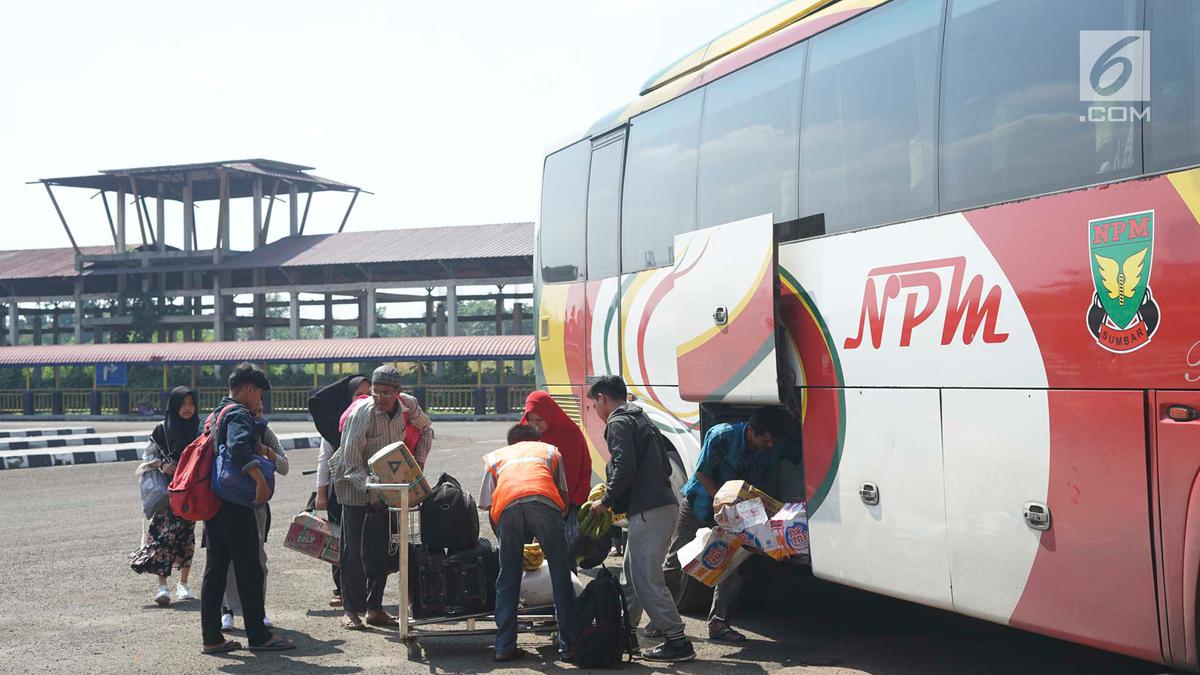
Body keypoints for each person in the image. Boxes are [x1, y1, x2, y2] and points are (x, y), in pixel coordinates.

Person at [584, 376, 695, 663]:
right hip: (660, 505)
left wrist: (606, 501)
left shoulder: (619, 422)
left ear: (601, 399)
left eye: (593, 403)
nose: (595, 409)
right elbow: (661, 465)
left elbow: (624, 465)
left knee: (646, 578)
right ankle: (625, 631)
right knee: (632, 575)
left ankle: (677, 641)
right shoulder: (641, 417)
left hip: (649, 510)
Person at [663, 407, 787, 643]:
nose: (769, 445)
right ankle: (661, 620)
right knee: (675, 558)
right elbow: (701, 473)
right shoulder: (721, 436)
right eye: (766, 440)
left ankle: (719, 624)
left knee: (731, 565)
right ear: (751, 431)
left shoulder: (771, 449)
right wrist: (722, 502)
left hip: (737, 512)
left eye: (773, 441)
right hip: (700, 503)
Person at [201, 363, 294, 654]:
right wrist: (258, 479)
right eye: (259, 395)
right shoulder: (239, 413)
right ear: (250, 389)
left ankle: (212, 638)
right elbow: (240, 447)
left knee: (215, 570)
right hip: (236, 502)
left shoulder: (216, 413)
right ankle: (259, 635)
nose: (260, 402)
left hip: (215, 502)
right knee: (250, 569)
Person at [332, 365, 433, 630]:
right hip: (354, 486)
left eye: (386, 394)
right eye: (376, 392)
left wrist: (418, 463)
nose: (380, 398)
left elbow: (426, 430)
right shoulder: (362, 415)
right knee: (352, 550)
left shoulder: (409, 405)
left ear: (398, 393)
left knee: (383, 549)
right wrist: (371, 488)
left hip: (390, 486)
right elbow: (349, 464)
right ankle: (351, 610)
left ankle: (374, 609)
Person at [478, 424, 574, 663]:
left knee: (507, 578)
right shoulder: (549, 451)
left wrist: (507, 543)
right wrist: (550, 537)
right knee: (561, 576)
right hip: (544, 504)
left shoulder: (497, 457)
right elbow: (563, 498)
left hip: (506, 508)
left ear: (511, 442)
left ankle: (504, 647)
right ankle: (569, 647)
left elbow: (491, 509)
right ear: (537, 439)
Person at [222, 404, 290, 632]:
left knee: (258, 560)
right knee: (227, 560)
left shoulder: (265, 432)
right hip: (227, 501)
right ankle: (227, 611)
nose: (258, 414)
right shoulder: (228, 424)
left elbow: (284, 466)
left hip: (257, 505)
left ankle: (258, 610)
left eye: (262, 410)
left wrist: (266, 452)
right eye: (255, 410)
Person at [130, 386, 200, 605]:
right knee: (162, 537)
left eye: (191, 404)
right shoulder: (161, 430)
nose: (188, 408)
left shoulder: (200, 430)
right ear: (174, 406)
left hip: (190, 492)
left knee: (186, 537)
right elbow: (147, 455)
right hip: (166, 493)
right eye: (183, 404)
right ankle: (162, 587)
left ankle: (184, 584)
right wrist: (162, 465)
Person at [310, 374, 370, 608]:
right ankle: (342, 589)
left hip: (369, 489)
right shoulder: (336, 424)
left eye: (368, 392)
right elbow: (324, 459)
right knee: (341, 542)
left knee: (366, 542)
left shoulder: (374, 420)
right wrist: (321, 493)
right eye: (358, 393)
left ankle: (363, 590)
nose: (364, 398)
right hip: (340, 490)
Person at [522, 392, 592, 550]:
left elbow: (585, 469)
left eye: (539, 420)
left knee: (564, 555)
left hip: (564, 506)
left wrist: (577, 502)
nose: (534, 425)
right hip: (529, 505)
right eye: (530, 419)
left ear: (550, 415)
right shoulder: (522, 434)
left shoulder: (571, 434)